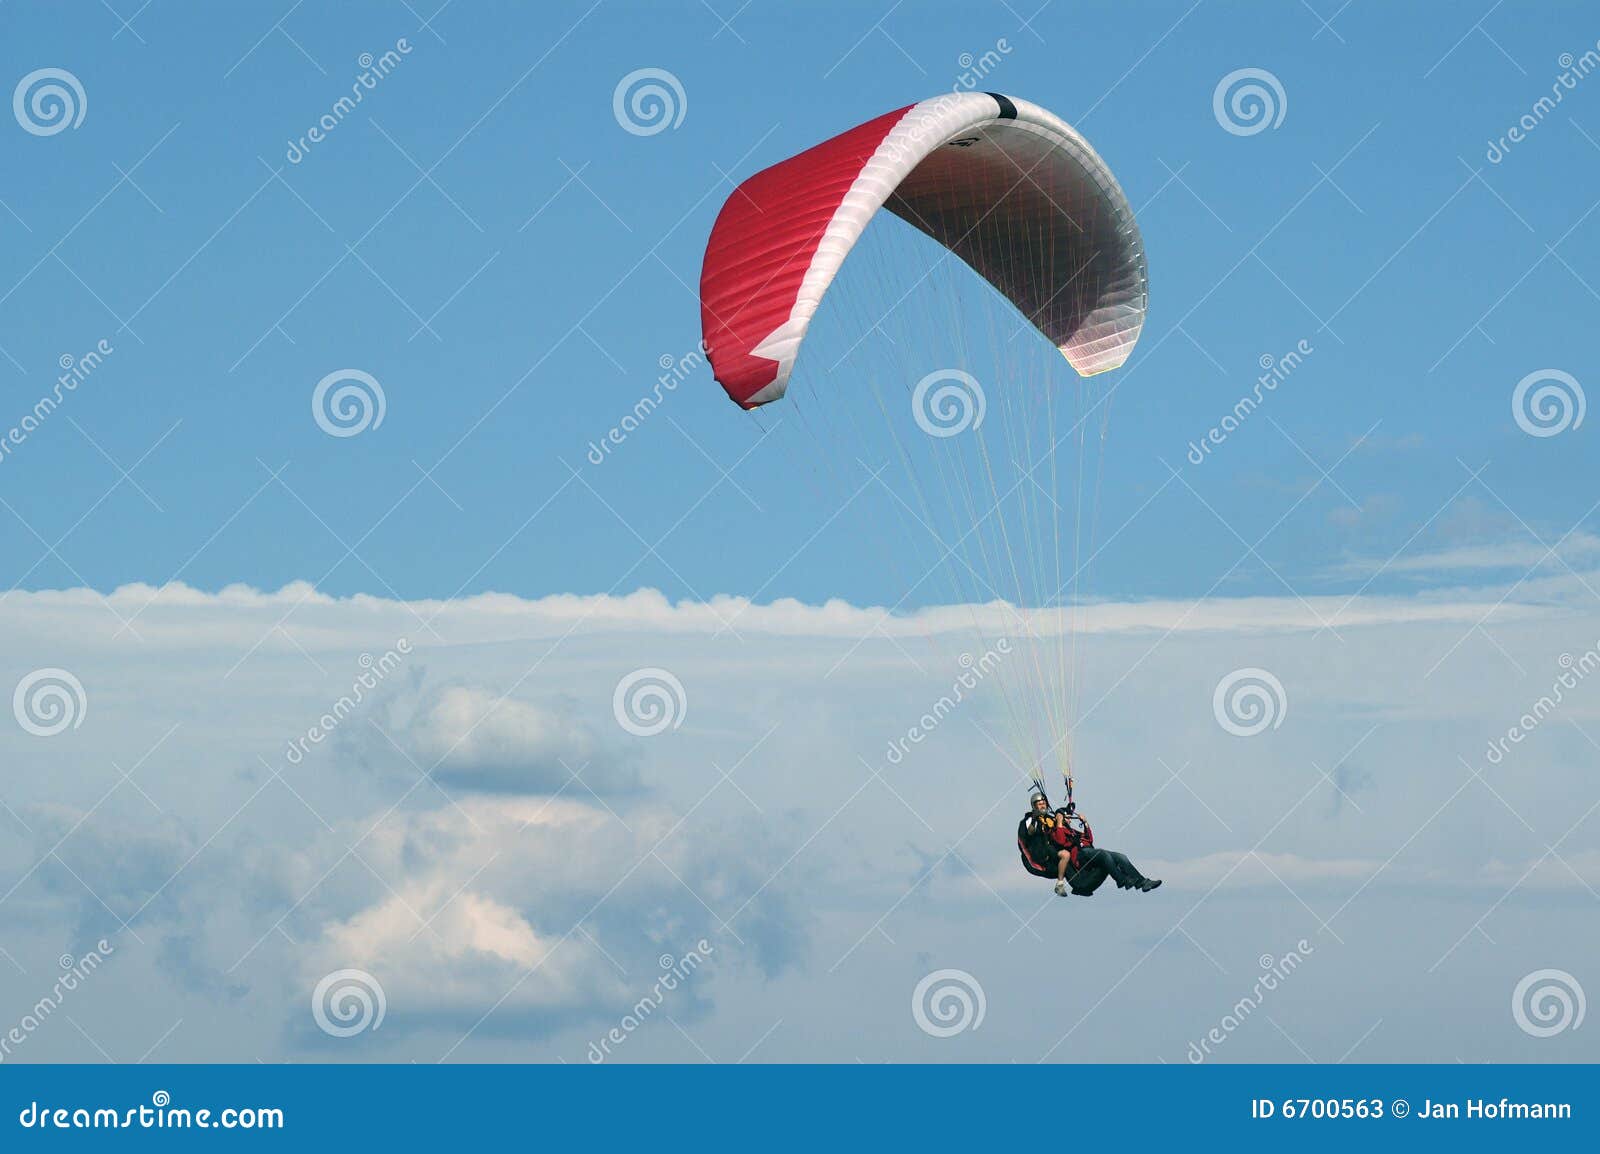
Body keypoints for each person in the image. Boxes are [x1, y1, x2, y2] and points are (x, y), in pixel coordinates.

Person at [1017, 790, 1161, 897]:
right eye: (1066, 816)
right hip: (1081, 880)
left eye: (1044, 803)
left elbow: (1088, 840)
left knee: (1119, 856)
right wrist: (1058, 822)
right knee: (1103, 855)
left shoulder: (1072, 831)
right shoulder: (1054, 830)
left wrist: (1085, 823)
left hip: (1088, 869)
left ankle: (1142, 882)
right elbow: (1058, 841)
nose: (1069, 818)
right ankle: (1122, 880)